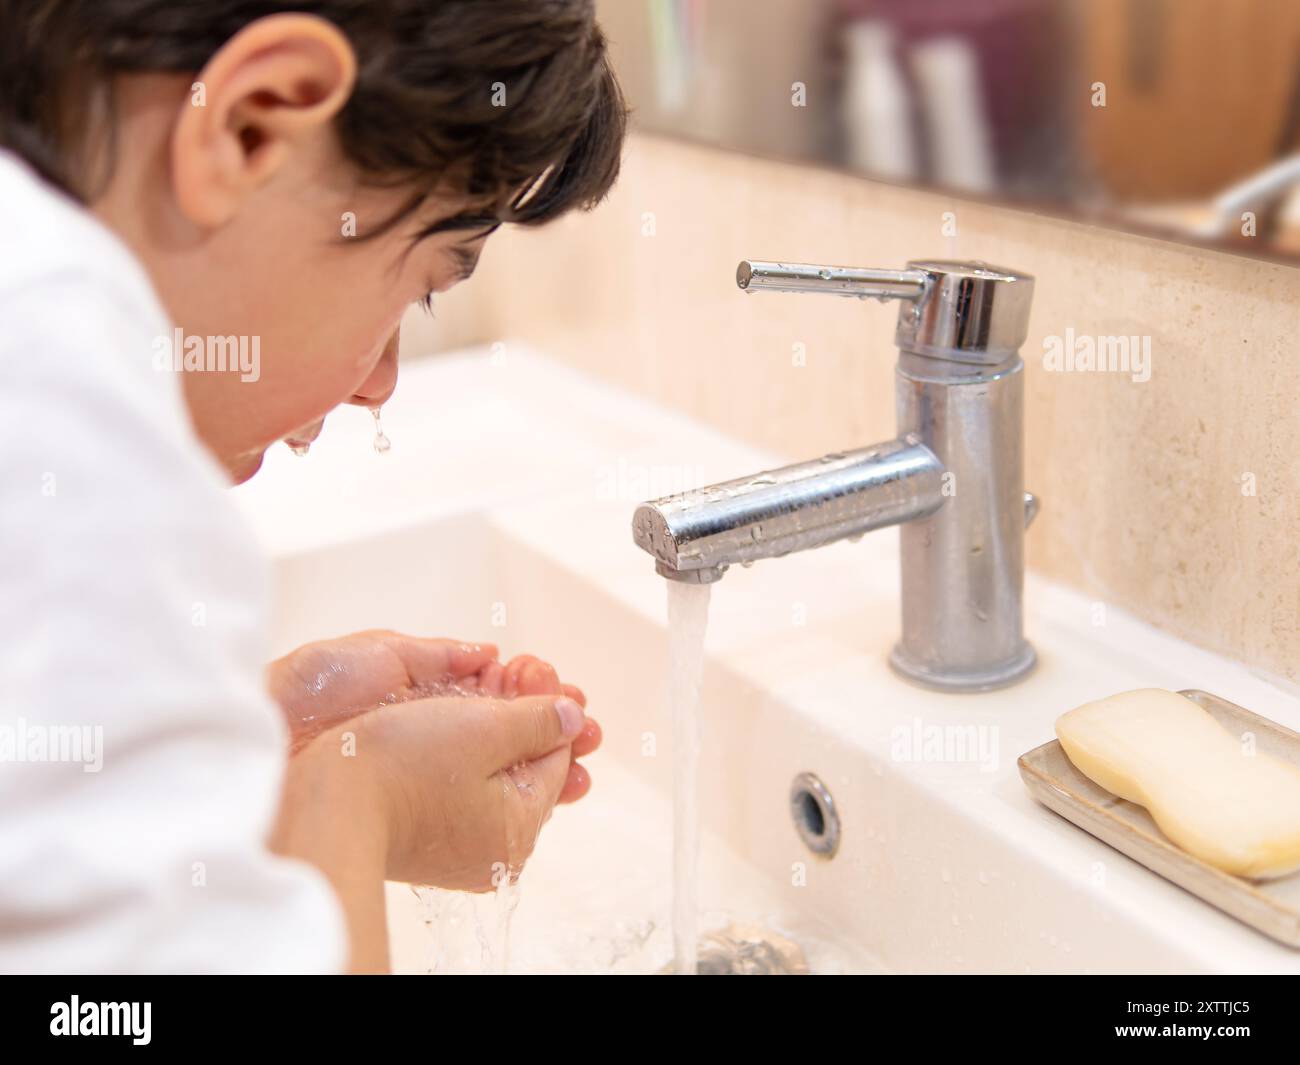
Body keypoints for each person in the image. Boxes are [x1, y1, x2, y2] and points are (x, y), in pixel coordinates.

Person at [0, 0, 626, 973]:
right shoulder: (61, 395)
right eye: (420, 285)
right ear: (255, 122)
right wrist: (359, 798)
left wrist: (246, 738)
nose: (378, 382)